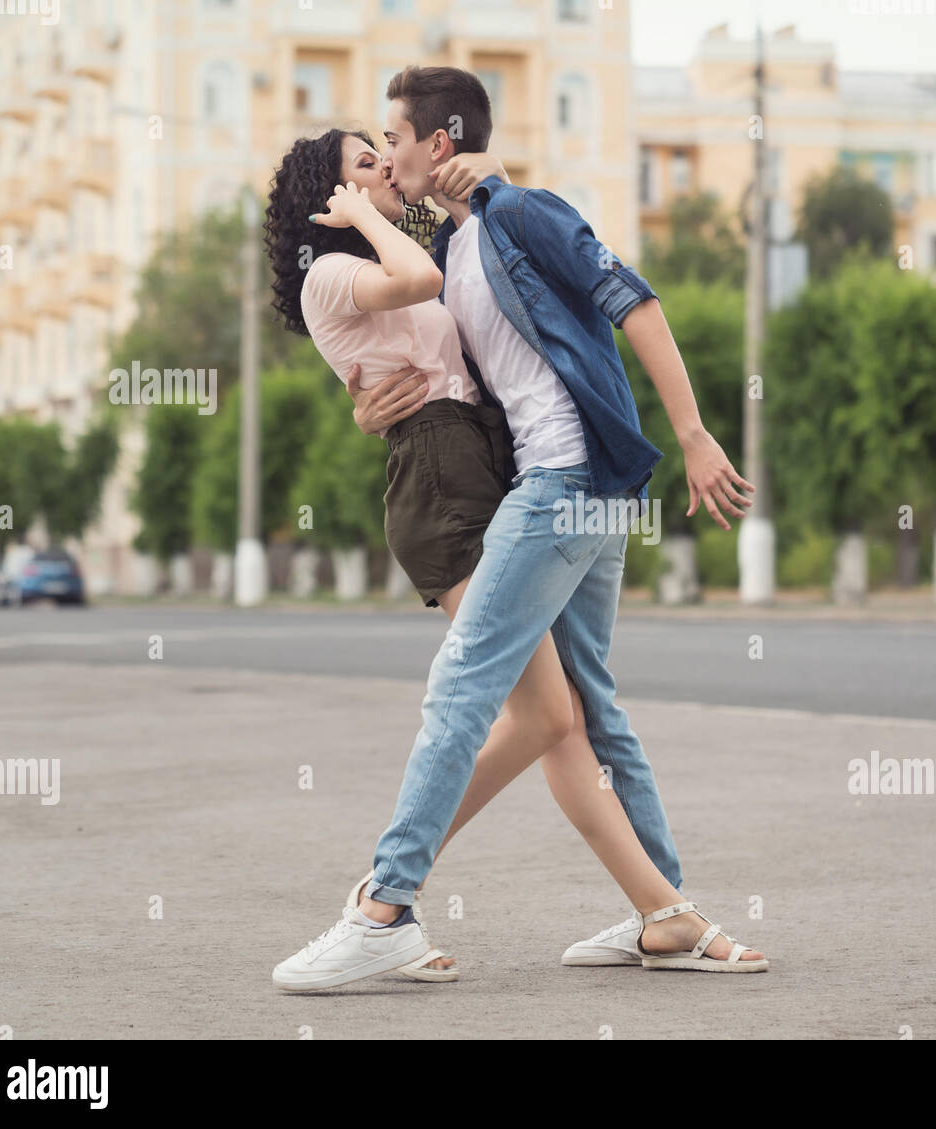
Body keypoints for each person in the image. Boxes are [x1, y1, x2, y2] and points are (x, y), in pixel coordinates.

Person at [267, 74, 766, 989]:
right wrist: (366, 410)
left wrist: (692, 434)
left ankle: (383, 904)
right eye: (369, 154)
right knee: (581, 710)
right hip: (533, 485)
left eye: (394, 143)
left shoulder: (518, 214)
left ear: (439, 145)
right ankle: (669, 912)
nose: (385, 161)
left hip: (566, 483)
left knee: (481, 691)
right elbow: (439, 371)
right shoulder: (453, 249)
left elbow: (634, 302)